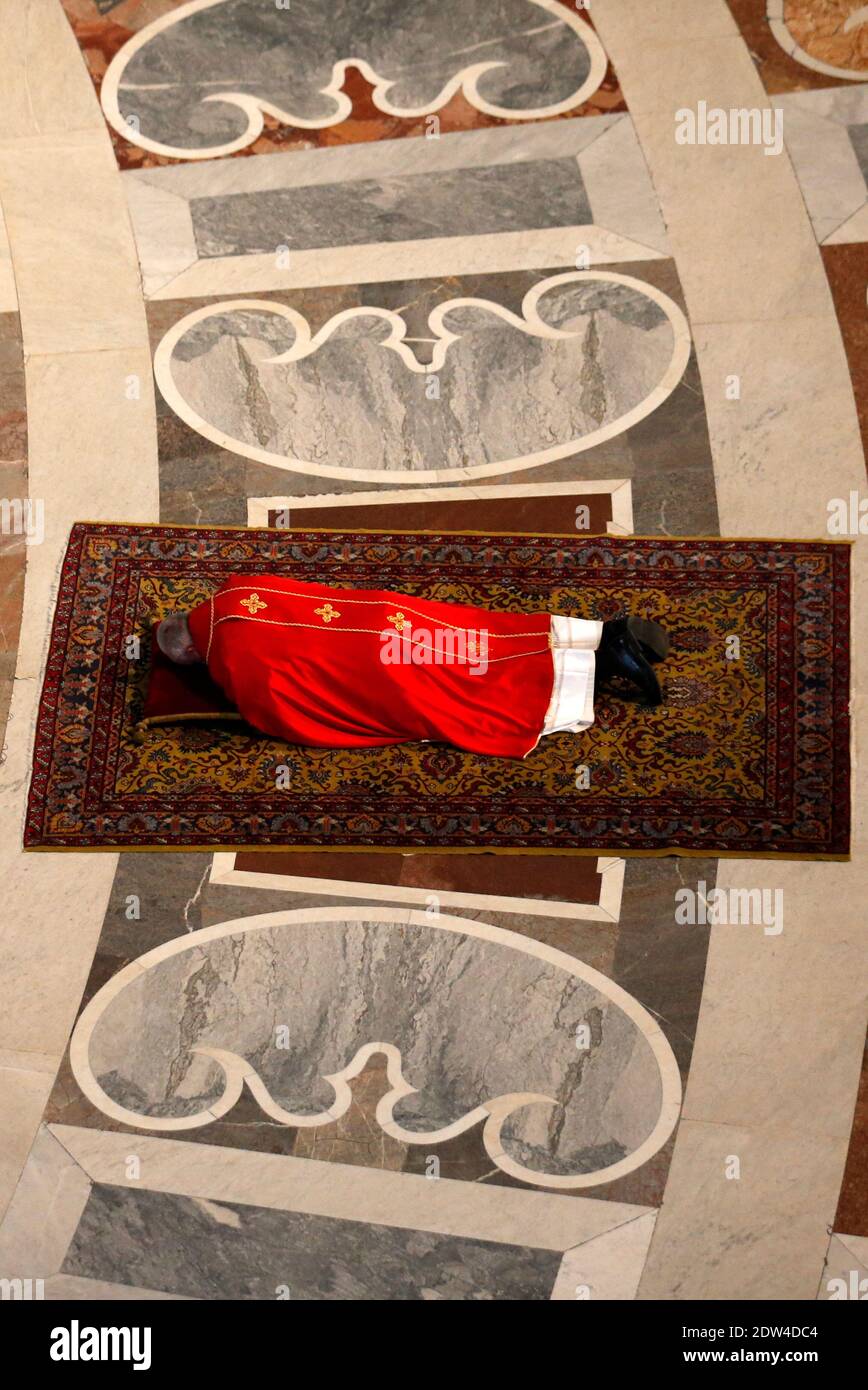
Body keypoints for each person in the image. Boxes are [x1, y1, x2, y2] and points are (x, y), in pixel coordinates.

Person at [156, 574, 668, 760]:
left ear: (192, 654)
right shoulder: (236, 589)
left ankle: (597, 668)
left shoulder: (230, 661)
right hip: (382, 615)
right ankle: (599, 633)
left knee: (462, 690)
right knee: (478, 634)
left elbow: (281, 715)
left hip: (374, 668)